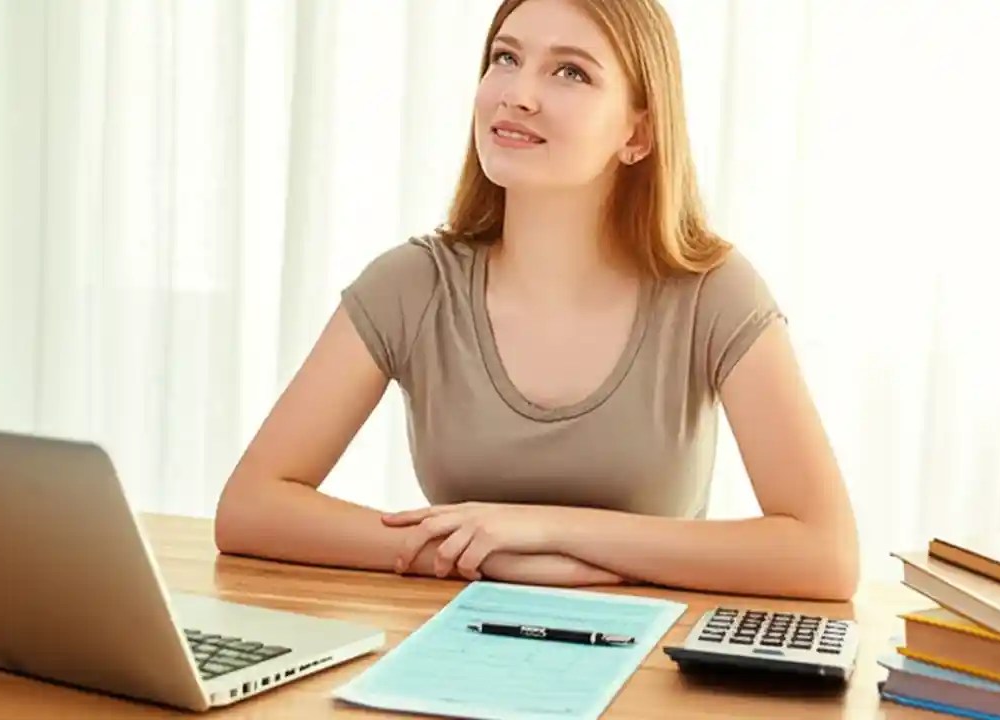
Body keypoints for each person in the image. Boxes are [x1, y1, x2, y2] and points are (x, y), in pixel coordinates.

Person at [215, 0, 859, 601]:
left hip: (648, 671)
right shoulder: (411, 285)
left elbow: (825, 554)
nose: (517, 94)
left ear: (638, 133)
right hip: (454, 650)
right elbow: (251, 506)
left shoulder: (714, 292)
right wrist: (481, 550)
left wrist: (546, 529)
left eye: (571, 73)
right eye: (506, 57)